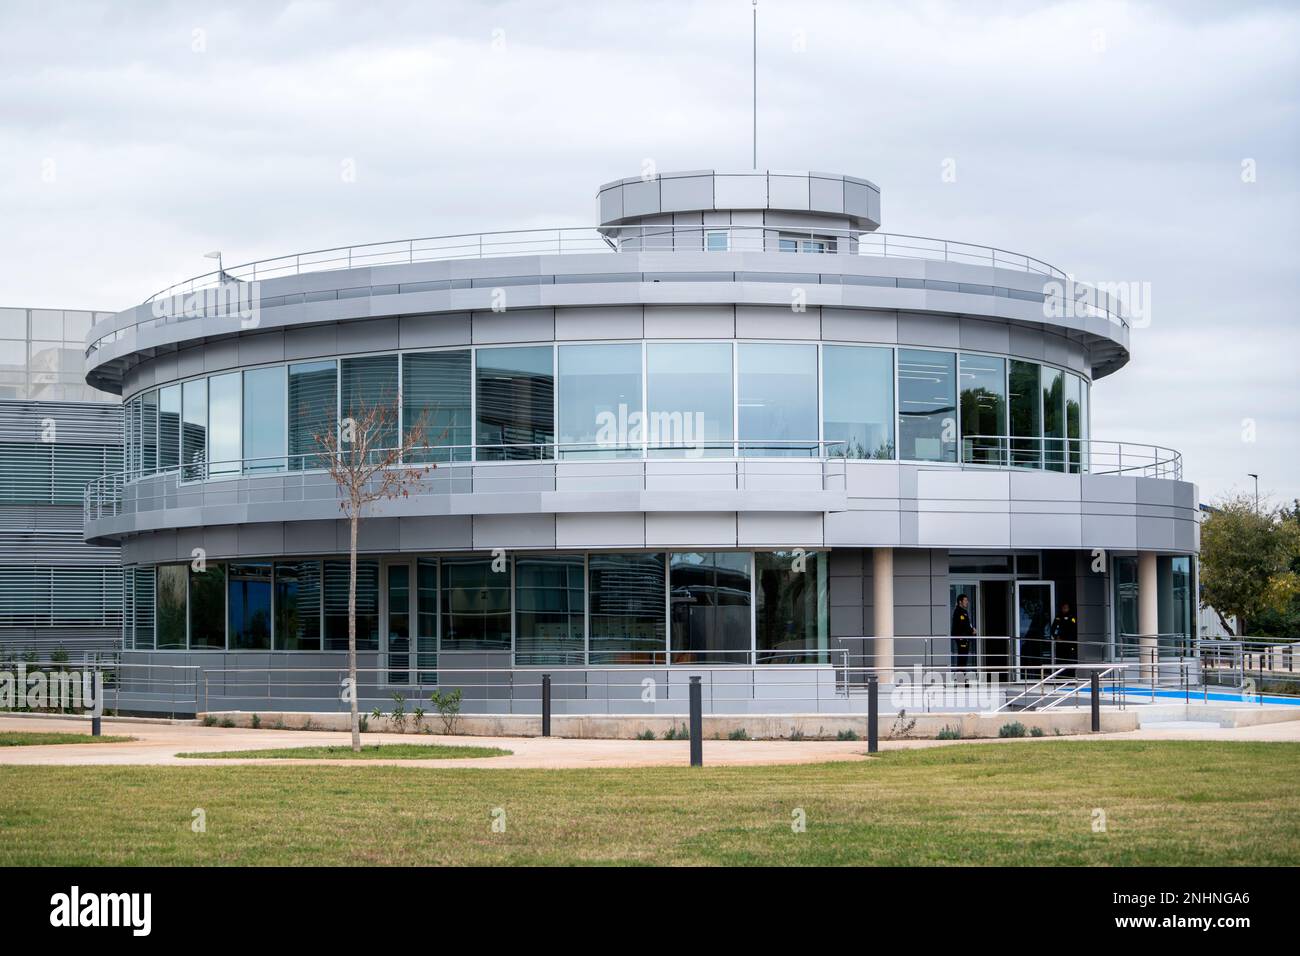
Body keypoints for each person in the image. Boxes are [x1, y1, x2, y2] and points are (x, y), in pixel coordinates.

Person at [950, 594, 976, 674]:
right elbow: (963, 625)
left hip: (965, 638)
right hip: (961, 639)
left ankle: (961, 679)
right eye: (965, 600)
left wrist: (972, 630)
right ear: (960, 602)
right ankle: (960, 680)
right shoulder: (958, 612)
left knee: (963, 659)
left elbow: (967, 624)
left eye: (967, 600)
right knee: (962, 659)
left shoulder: (964, 611)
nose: (967, 602)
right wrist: (972, 631)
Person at [1051, 601, 1078, 674]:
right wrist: (1056, 637)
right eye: (1063, 608)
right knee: (1060, 661)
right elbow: (1053, 629)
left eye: (1066, 608)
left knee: (1069, 661)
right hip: (1060, 645)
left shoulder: (1072, 617)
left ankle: (1070, 679)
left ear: (1068, 608)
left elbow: (1073, 631)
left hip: (1069, 644)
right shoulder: (1058, 617)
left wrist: (1066, 640)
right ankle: (1060, 678)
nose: (1064, 609)